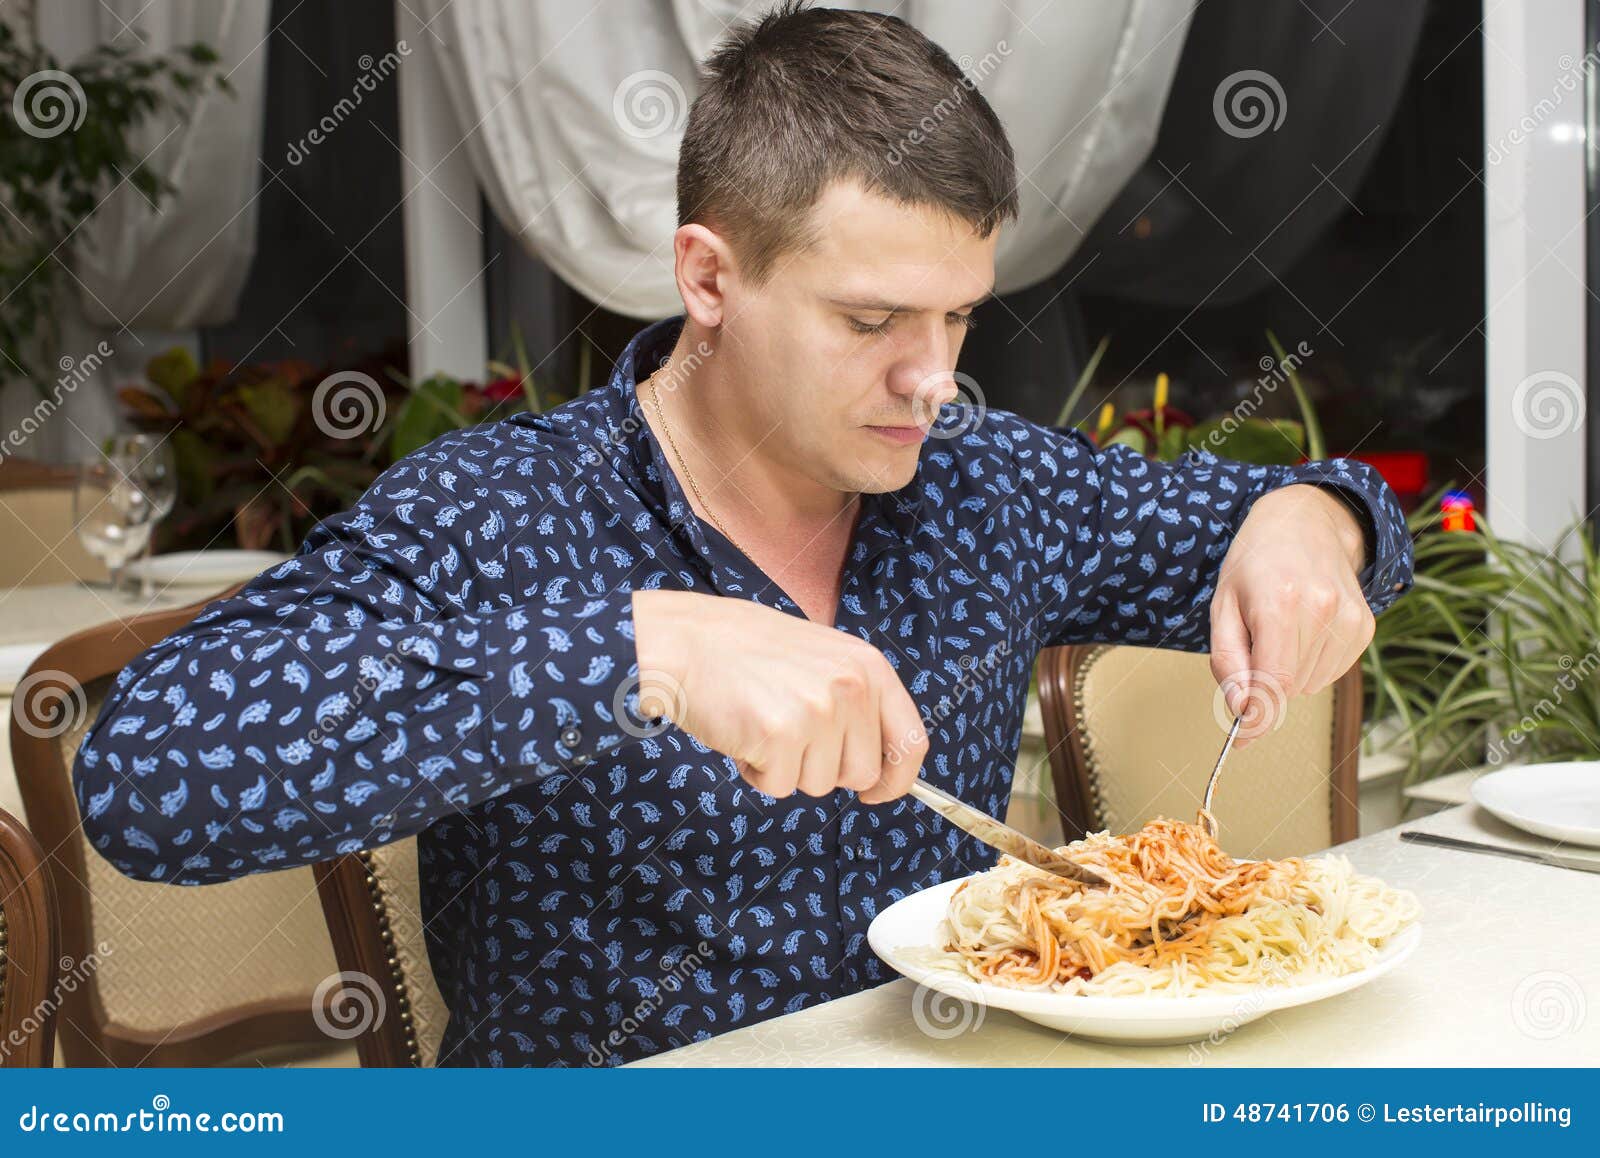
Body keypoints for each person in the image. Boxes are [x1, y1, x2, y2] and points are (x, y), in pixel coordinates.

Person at [74, 2, 1412, 1066]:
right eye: (872, 321)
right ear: (710, 276)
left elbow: (1302, 512)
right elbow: (147, 773)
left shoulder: (985, 487)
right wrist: (641, 645)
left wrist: (1312, 523)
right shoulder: (504, 509)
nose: (931, 377)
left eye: (957, 316)